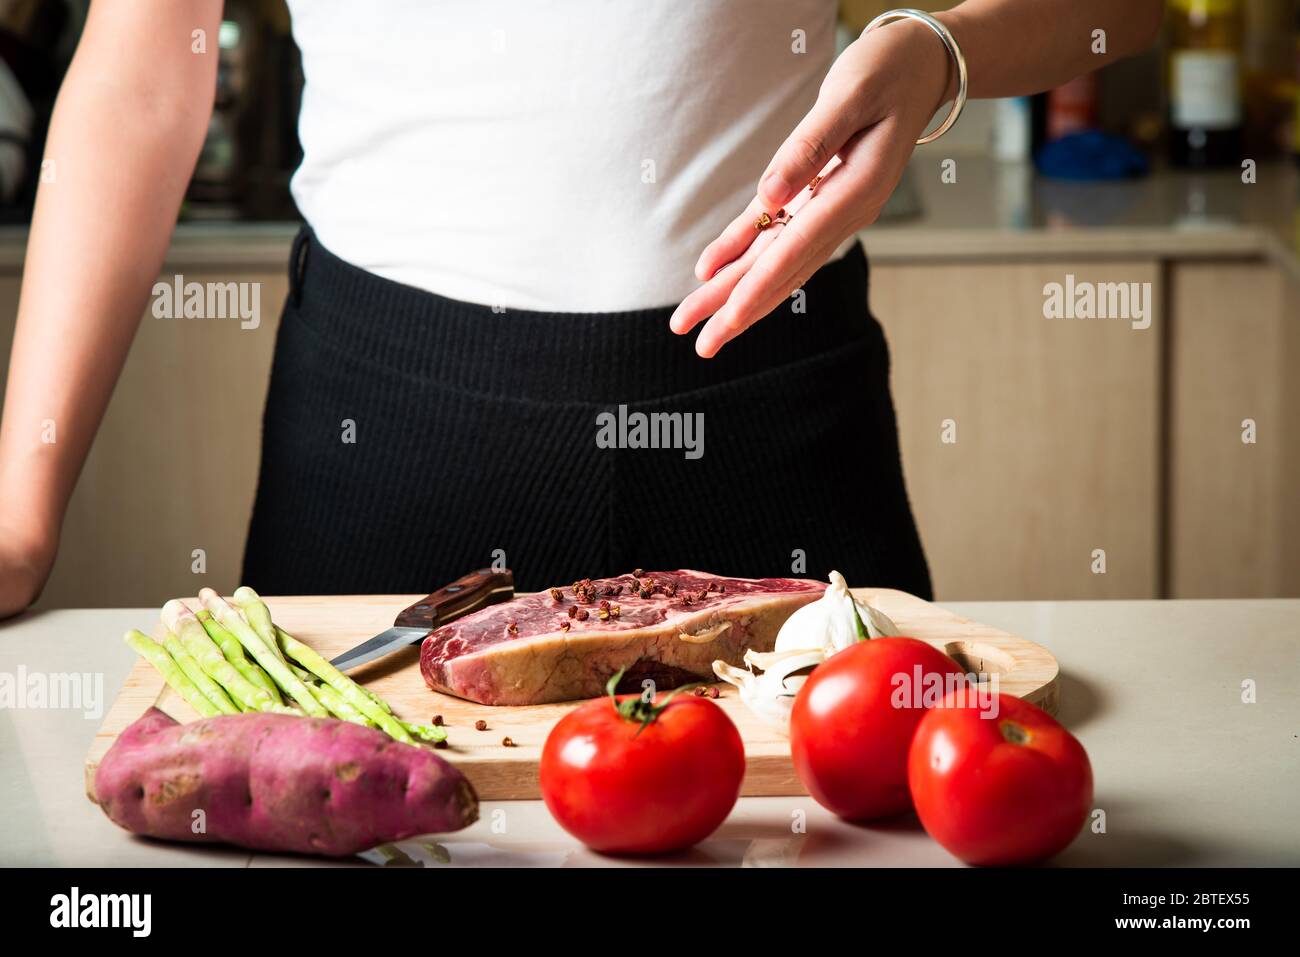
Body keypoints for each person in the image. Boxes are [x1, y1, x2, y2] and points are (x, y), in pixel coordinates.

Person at [0, 1, 1163, 612]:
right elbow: (148, 73)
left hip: (770, 416)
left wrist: (938, 53)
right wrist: (22, 514)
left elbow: (1117, 6)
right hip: (385, 436)